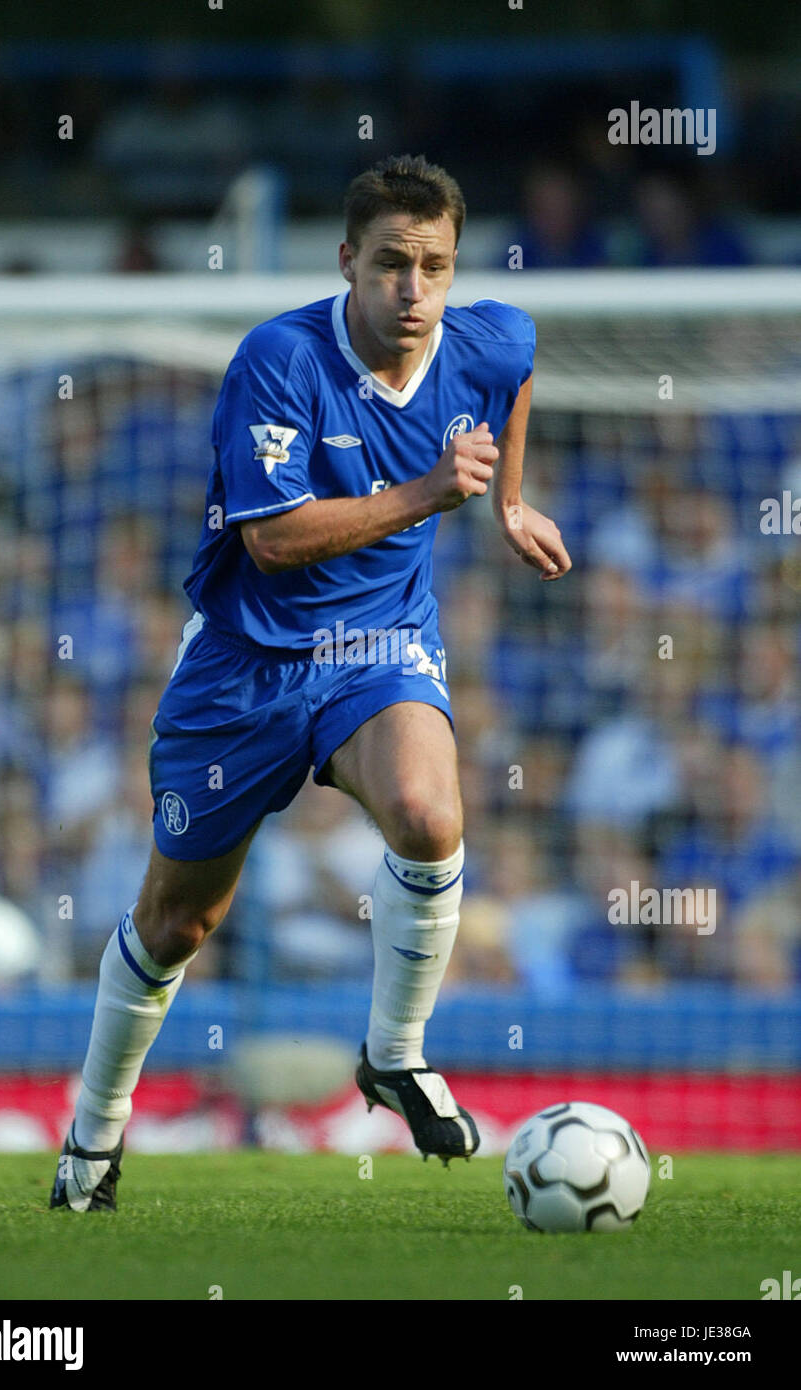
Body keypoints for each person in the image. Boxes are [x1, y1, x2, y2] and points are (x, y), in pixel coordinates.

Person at [50, 153, 571, 1212]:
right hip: (247, 663)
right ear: (347, 262)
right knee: (175, 923)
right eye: (390, 265)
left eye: (433, 266)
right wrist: (431, 491)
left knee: (429, 815)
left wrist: (509, 501)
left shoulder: (487, 338)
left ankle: (393, 1051)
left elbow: (513, 374)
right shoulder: (278, 360)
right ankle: (91, 1142)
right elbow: (277, 539)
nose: (413, 291)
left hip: (377, 649)